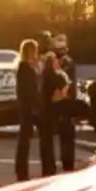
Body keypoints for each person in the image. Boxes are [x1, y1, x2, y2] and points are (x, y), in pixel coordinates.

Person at [14, 39, 50, 181]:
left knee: (28, 139)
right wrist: (36, 106)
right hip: (29, 109)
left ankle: (28, 171)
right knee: (25, 140)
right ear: (29, 51)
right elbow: (29, 91)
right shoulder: (24, 68)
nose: (37, 53)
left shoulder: (30, 67)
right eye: (34, 50)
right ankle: (22, 172)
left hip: (31, 108)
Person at [51, 33, 78, 171]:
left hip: (63, 103)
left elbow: (69, 84)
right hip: (64, 103)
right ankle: (67, 162)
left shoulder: (64, 63)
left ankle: (68, 162)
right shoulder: (67, 62)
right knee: (66, 135)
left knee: (66, 135)